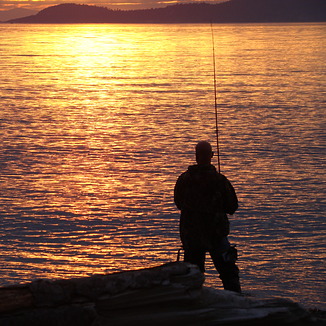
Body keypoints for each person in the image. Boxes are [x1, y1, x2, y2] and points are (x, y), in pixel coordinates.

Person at [174, 141, 241, 293]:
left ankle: (191, 306)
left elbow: (178, 203)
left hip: (192, 236)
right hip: (216, 234)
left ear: (196, 156)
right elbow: (232, 207)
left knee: (192, 278)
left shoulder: (184, 180)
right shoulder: (220, 181)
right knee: (229, 274)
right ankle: (237, 304)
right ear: (211, 156)